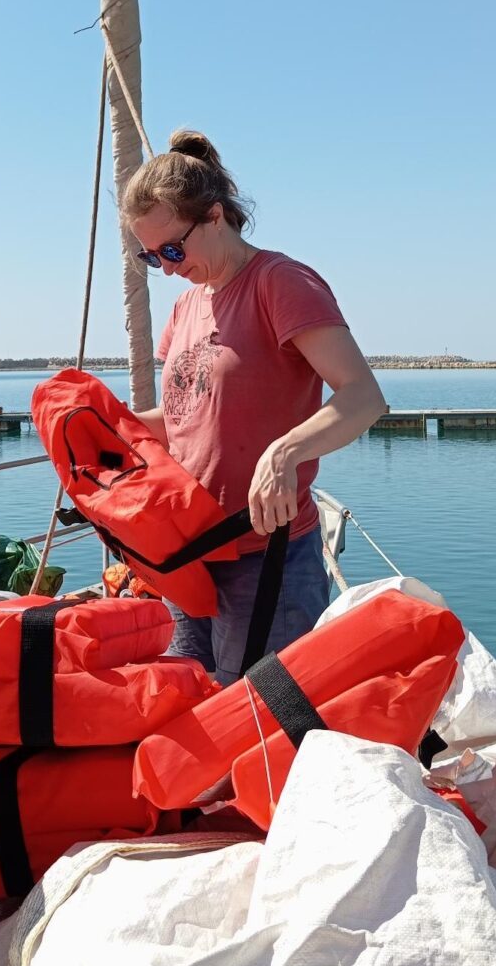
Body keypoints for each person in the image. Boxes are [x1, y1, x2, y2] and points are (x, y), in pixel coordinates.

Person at [121, 130, 385, 684]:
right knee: (192, 713)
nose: (167, 267)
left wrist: (285, 452)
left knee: (263, 731)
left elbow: (363, 396)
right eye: (151, 257)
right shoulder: (186, 305)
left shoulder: (280, 283)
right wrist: (94, 426)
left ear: (215, 216)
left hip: (267, 560)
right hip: (191, 559)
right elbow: (180, 421)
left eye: (173, 249)